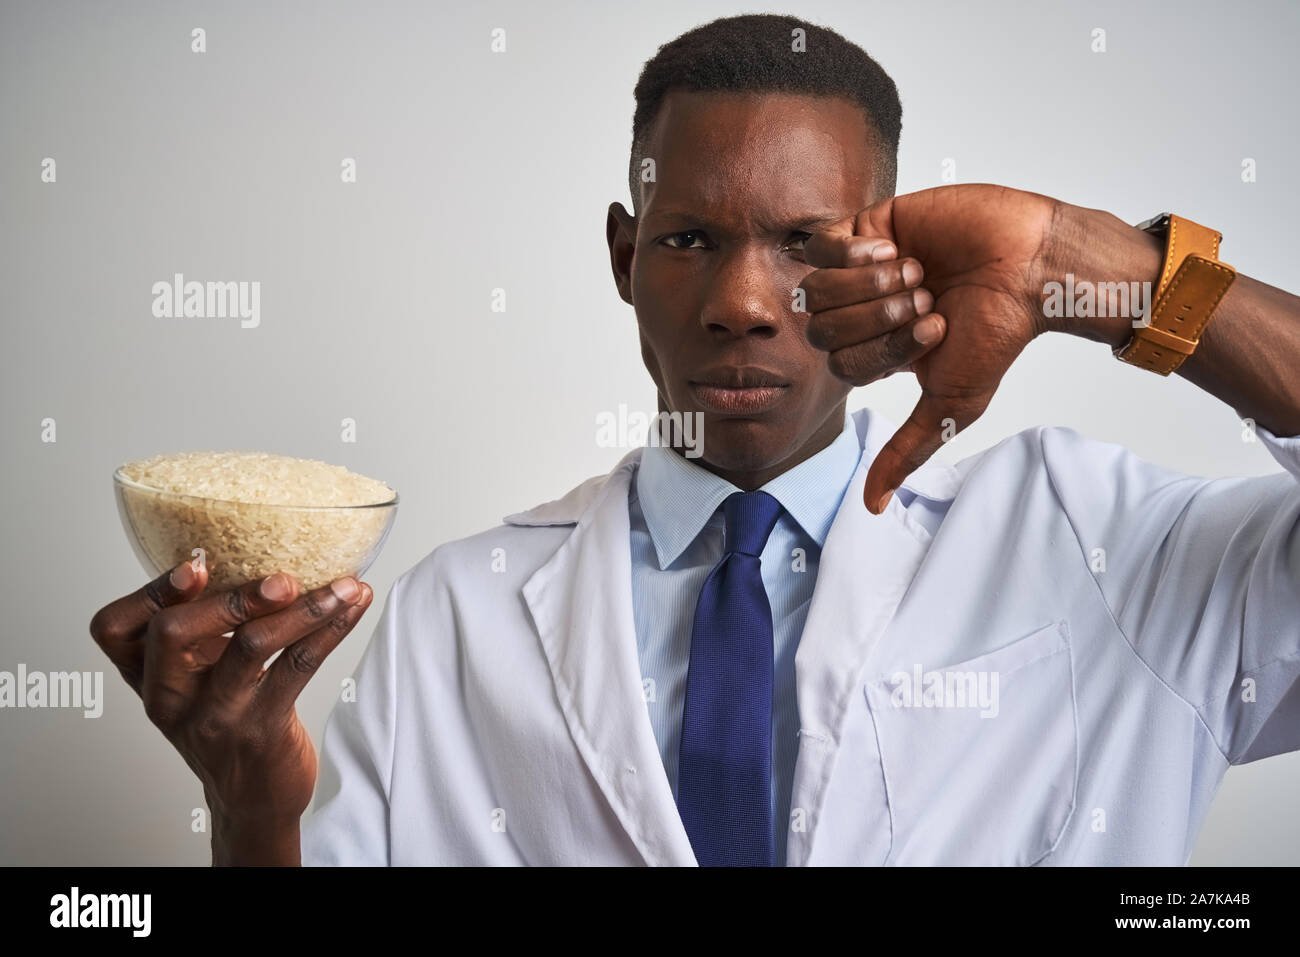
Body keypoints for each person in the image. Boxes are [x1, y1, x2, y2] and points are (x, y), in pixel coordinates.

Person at [90, 13, 1300, 866]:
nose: (742, 300)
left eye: (807, 244)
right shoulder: (457, 615)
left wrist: (1089, 264)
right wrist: (253, 814)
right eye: (687, 242)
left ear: (891, 253)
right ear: (623, 257)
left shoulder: (1104, 548)